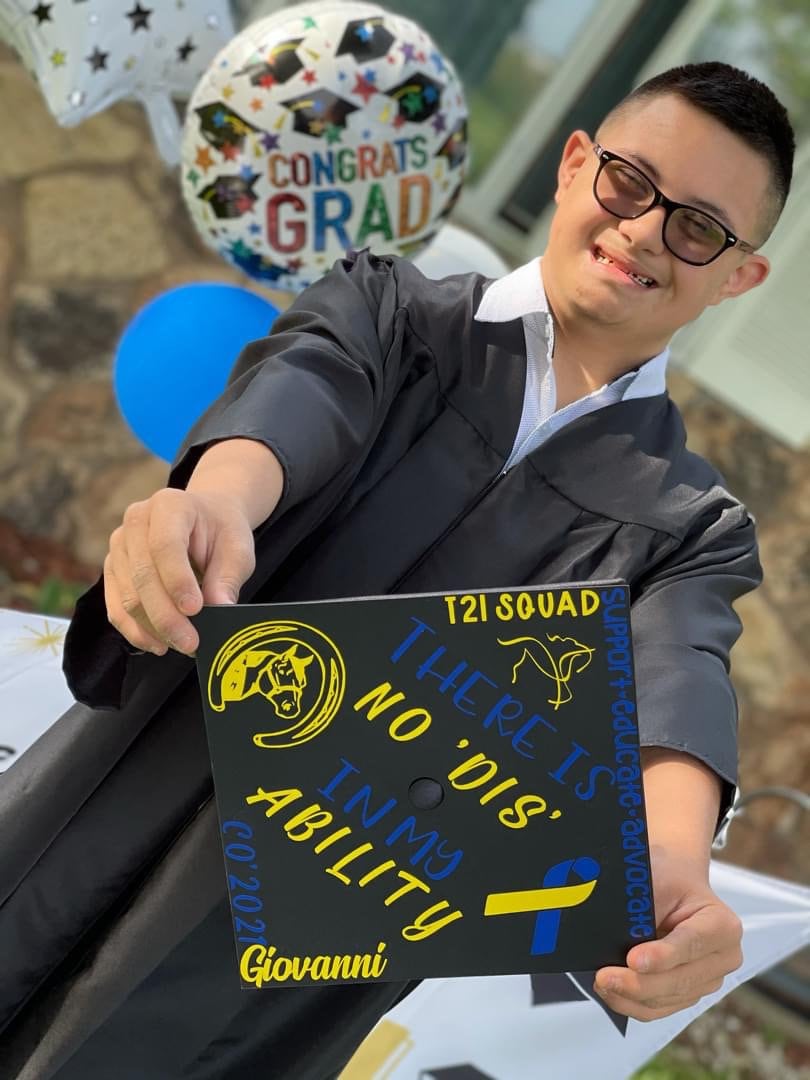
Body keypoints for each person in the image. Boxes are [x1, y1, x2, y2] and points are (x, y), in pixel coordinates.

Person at [0, 61, 795, 1078]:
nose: (644, 229)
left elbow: (676, 680)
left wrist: (674, 867)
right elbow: (298, 400)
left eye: (698, 227)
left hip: (324, 920)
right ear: (574, 165)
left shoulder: (687, 527)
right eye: (630, 183)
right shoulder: (390, 313)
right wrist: (211, 507)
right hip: (138, 770)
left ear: (740, 276)